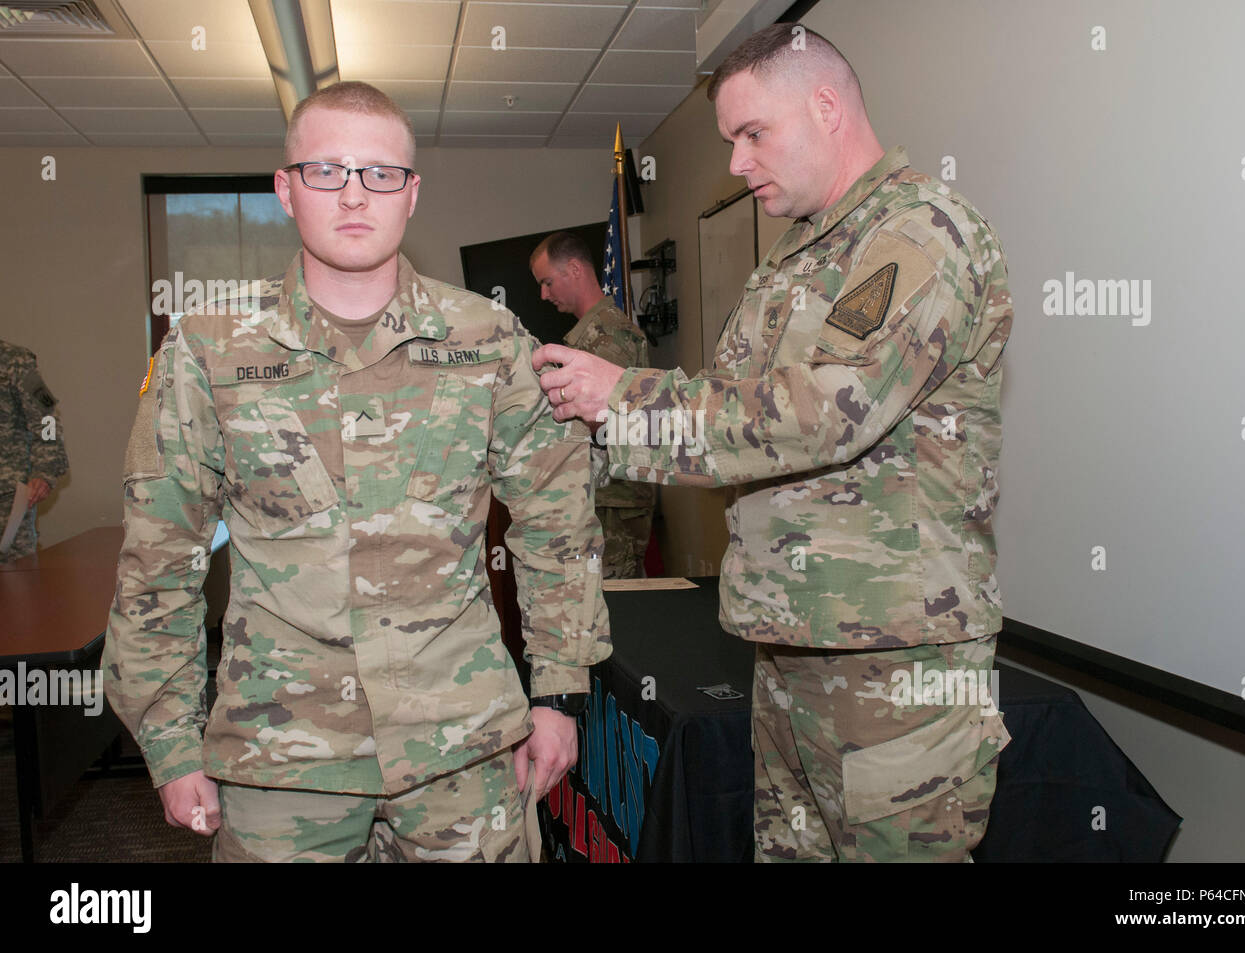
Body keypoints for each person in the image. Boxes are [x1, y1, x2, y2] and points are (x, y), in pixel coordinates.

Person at [534, 24, 1014, 862]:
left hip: (893, 663)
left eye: (753, 134)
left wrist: (625, 398)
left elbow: (830, 408)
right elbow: (734, 418)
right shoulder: (796, 256)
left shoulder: (920, 232)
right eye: (731, 141)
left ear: (826, 107)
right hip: (792, 645)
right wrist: (593, 420)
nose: (736, 163)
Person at [102, 81, 609, 863]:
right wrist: (169, 742)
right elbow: (159, 557)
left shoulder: (487, 339)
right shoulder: (207, 352)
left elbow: (555, 518)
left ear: (411, 195)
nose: (352, 194)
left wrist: (559, 692)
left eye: (378, 174)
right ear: (285, 188)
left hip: (461, 748)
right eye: (325, 170)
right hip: (284, 758)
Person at [529, 232, 656, 579]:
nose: (544, 294)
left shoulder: (609, 336)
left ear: (573, 269)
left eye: (548, 282)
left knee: (617, 612)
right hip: (601, 499)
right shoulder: (589, 336)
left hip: (614, 502)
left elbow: (604, 423)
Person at [0, 340, 69, 562]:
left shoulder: (14, 361)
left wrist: (44, 470)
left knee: (18, 583)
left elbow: (46, 417)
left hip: (8, 500)